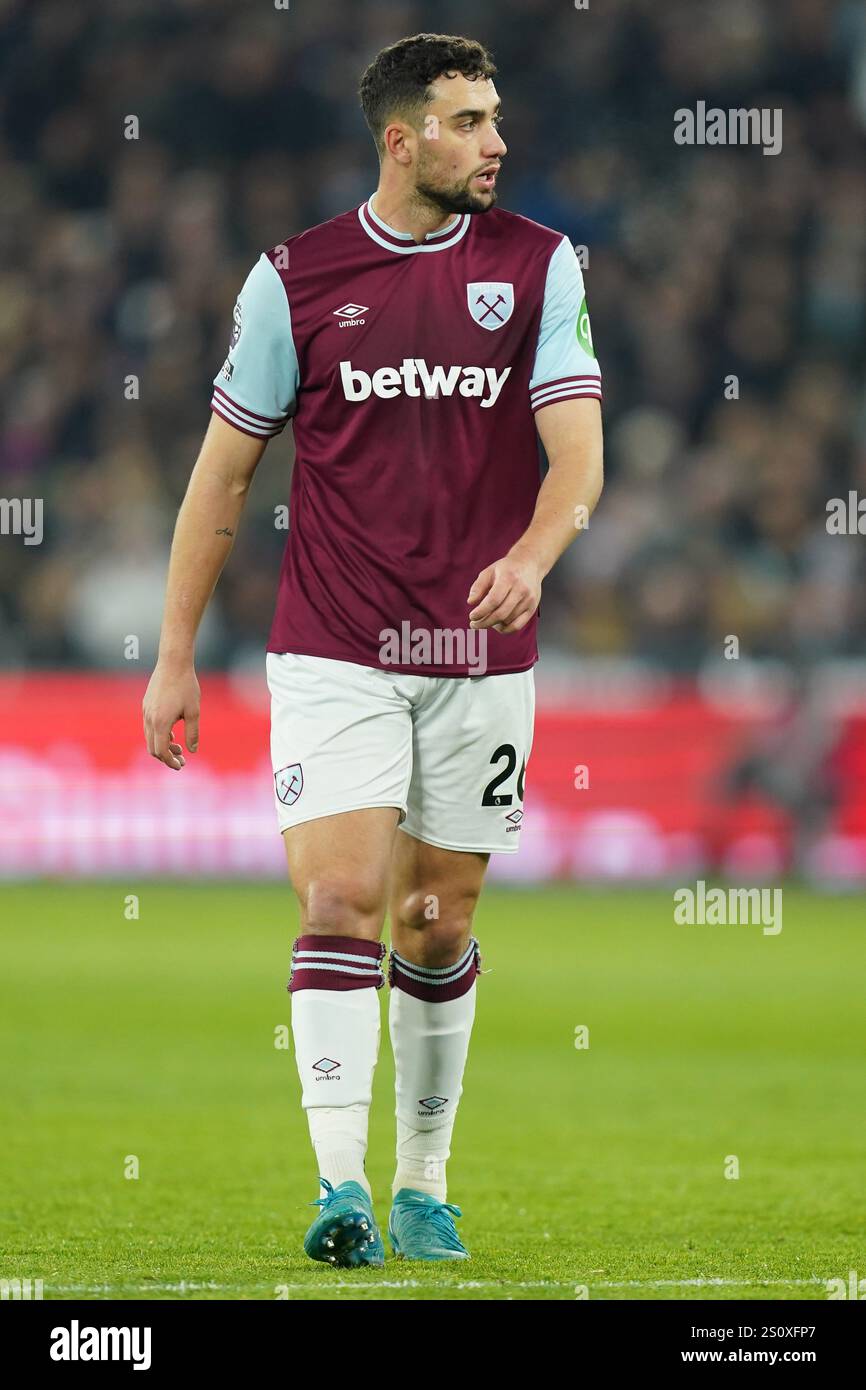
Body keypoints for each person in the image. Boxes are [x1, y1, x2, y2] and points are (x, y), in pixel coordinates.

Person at [143, 31, 604, 1267]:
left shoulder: (540, 267)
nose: (497, 140)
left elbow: (577, 458)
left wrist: (531, 557)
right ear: (403, 141)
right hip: (335, 641)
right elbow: (222, 475)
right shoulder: (291, 280)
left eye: (497, 115)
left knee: (435, 919)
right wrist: (174, 652)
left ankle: (423, 1184)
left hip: (478, 652)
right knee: (340, 895)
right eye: (468, 119)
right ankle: (340, 1188)